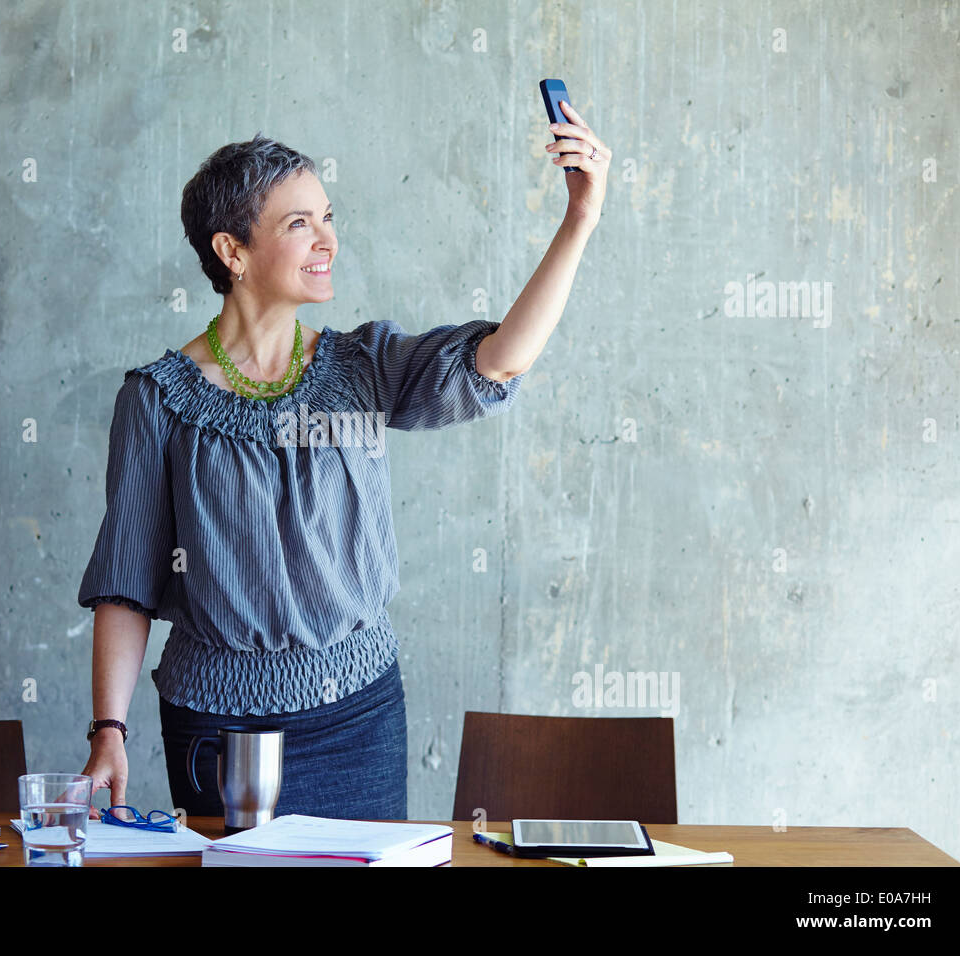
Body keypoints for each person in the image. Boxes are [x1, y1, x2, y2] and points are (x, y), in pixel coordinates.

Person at [78, 110, 609, 823]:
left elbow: (501, 358)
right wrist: (108, 733)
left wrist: (578, 220)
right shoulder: (158, 400)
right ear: (232, 251)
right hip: (216, 727)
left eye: (327, 217)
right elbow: (126, 580)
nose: (328, 239)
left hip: (359, 718)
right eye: (300, 223)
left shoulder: (362, 366)